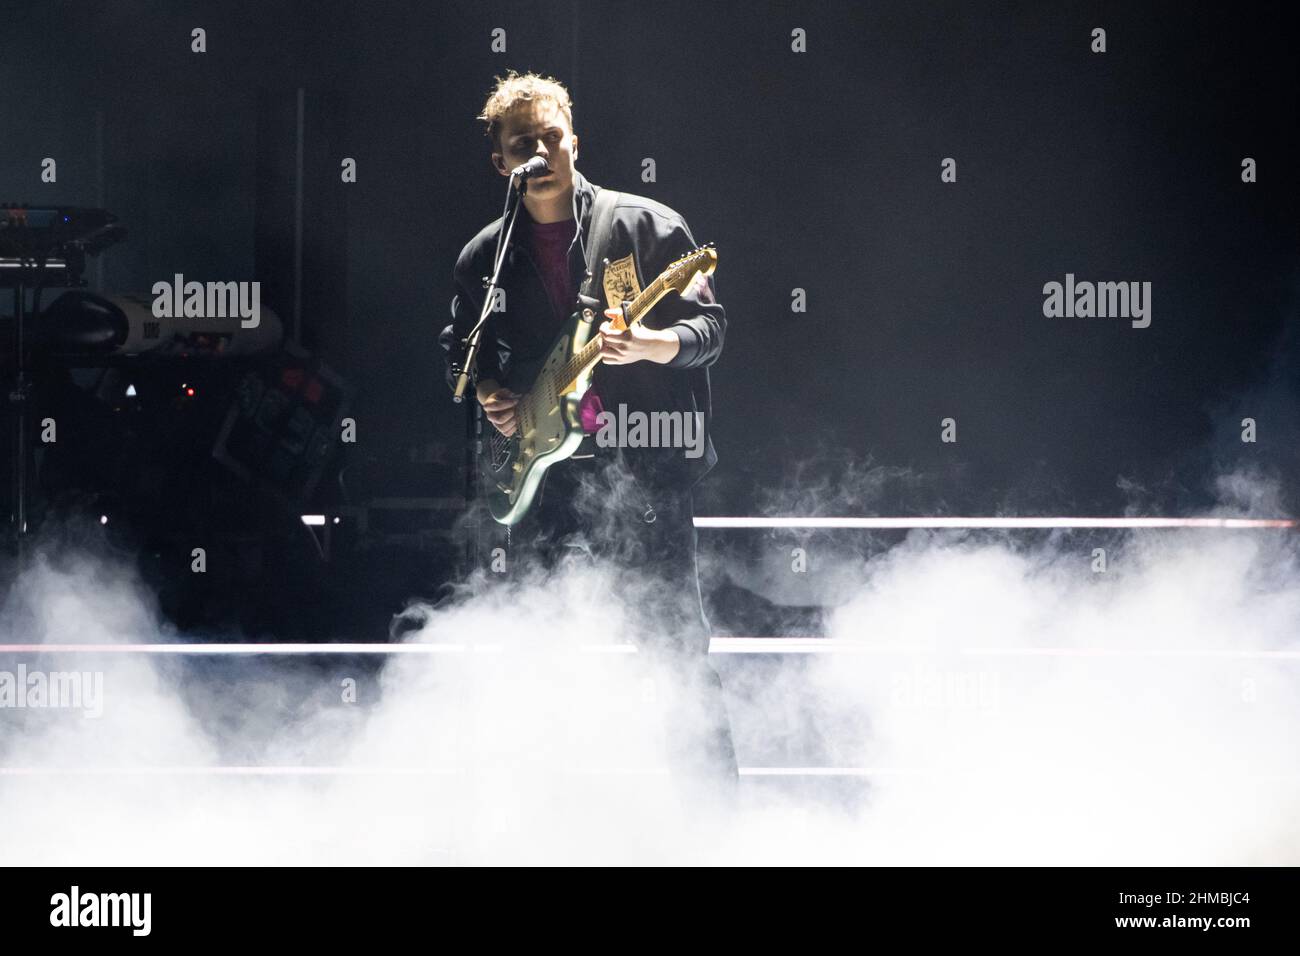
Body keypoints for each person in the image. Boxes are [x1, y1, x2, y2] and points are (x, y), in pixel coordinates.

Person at [440, 71, 737, 809]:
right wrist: (489, 394)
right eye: (524, 145)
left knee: (673, 654)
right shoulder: (485, 257)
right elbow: (458, 348)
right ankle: (558, 822)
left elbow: (712, 329)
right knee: (539, 653)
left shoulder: (642, 228)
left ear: (575, 140)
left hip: (641, 476)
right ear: (501, 163)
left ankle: (714, 826)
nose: (542, 152)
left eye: (552, 138)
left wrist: (649, 346)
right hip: (545, 484)